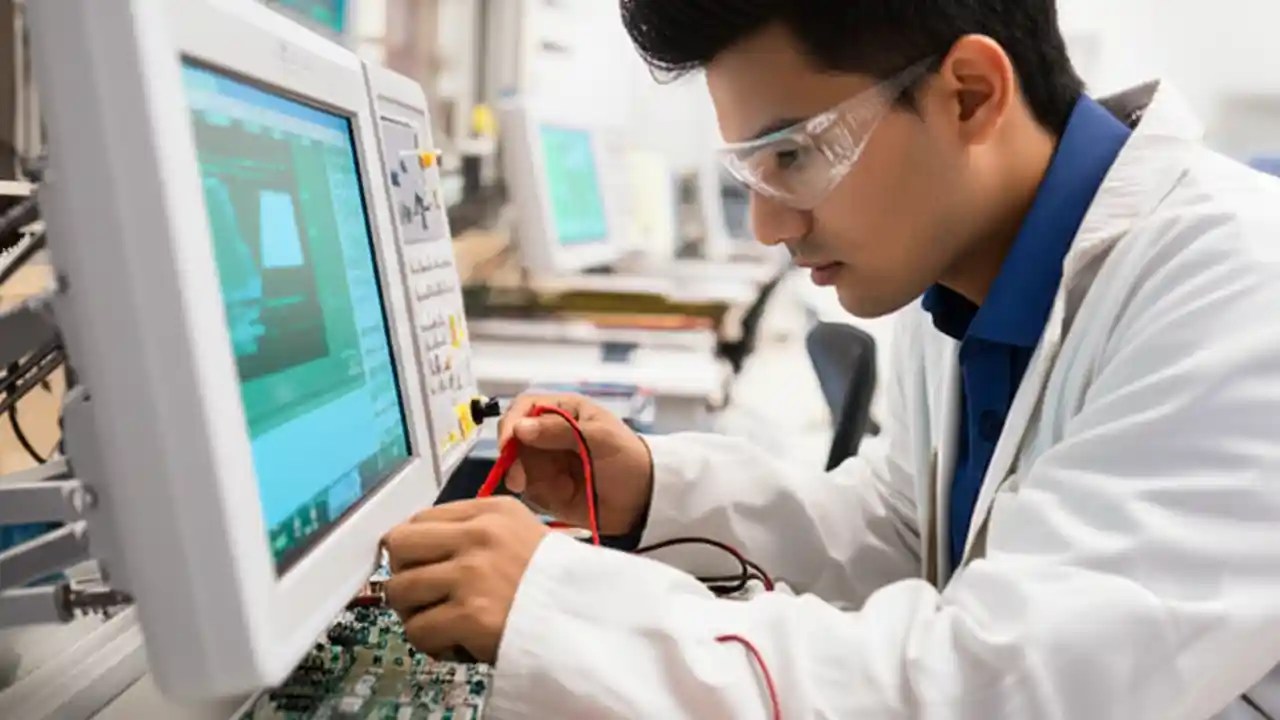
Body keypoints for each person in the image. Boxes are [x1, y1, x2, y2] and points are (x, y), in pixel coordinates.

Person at [381, 1, 1280, 717]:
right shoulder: (969, 278)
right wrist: (654, 491)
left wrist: (560, 611)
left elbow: (997, 691)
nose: (770, 224)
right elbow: (904, 536)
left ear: (969, 93)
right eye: (754, 171)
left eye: (797, 155)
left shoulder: (1241, 288)